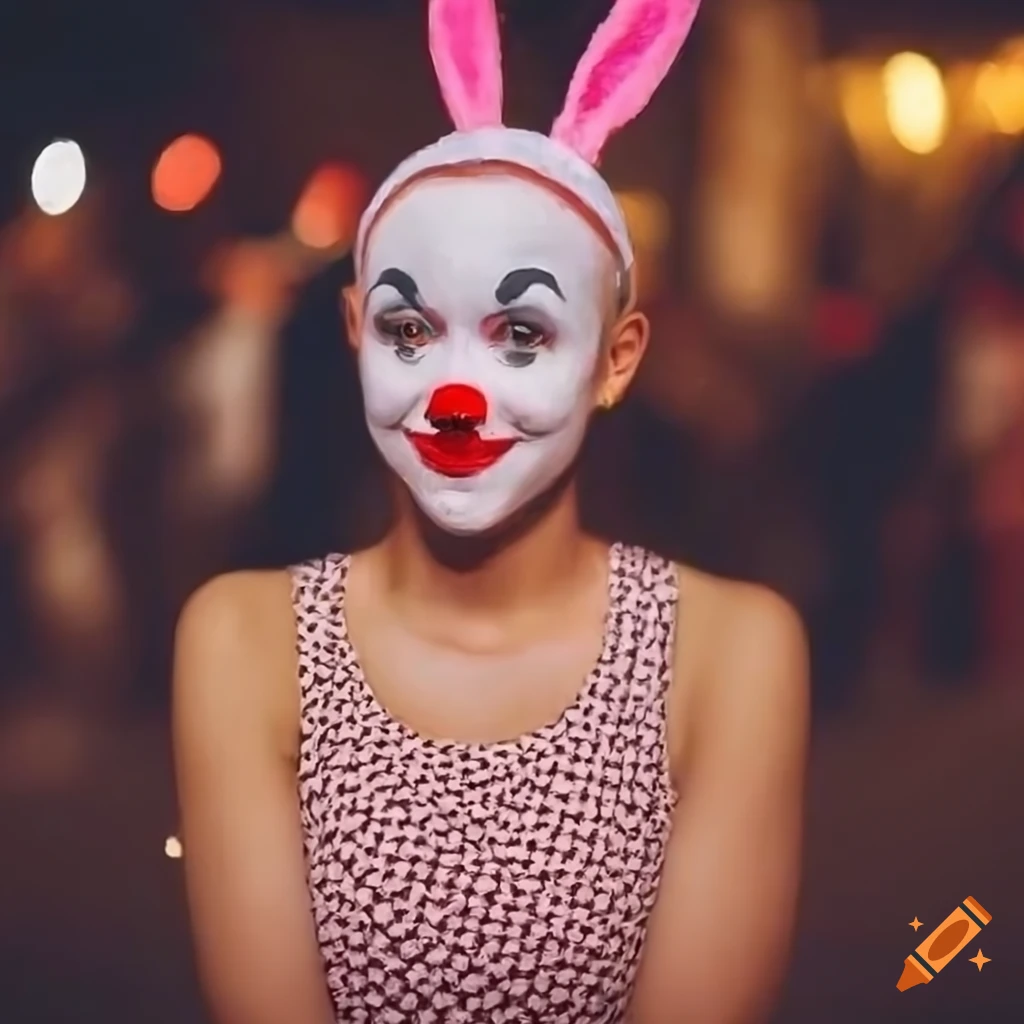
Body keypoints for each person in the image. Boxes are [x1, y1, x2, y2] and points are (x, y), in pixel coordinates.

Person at [173, 1, 809, 1022]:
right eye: (408, 328)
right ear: (353, 333)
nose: (454, 394)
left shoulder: (728, 653)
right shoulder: (243, 642)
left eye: (520, 332)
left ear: (616, 359)